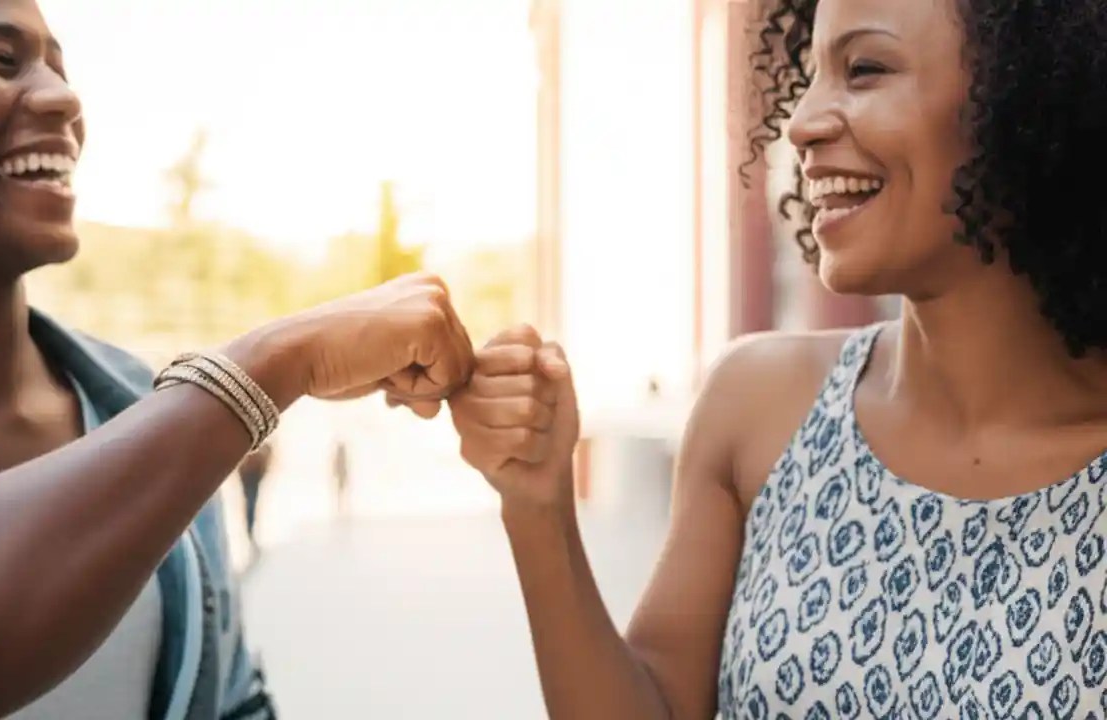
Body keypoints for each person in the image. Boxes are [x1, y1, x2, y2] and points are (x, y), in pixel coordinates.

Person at [441, 0, 1107, 717]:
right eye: (810, 72)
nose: (802, 121)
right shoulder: (757, 407)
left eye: (864, 69)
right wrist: (539, 505)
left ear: (1025, 98)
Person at [0, 0, 474, 718]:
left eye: (57, 65)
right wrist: (268, 366)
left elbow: (228, 704)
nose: (62, 97)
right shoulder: (193, 414)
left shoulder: (145, 405)